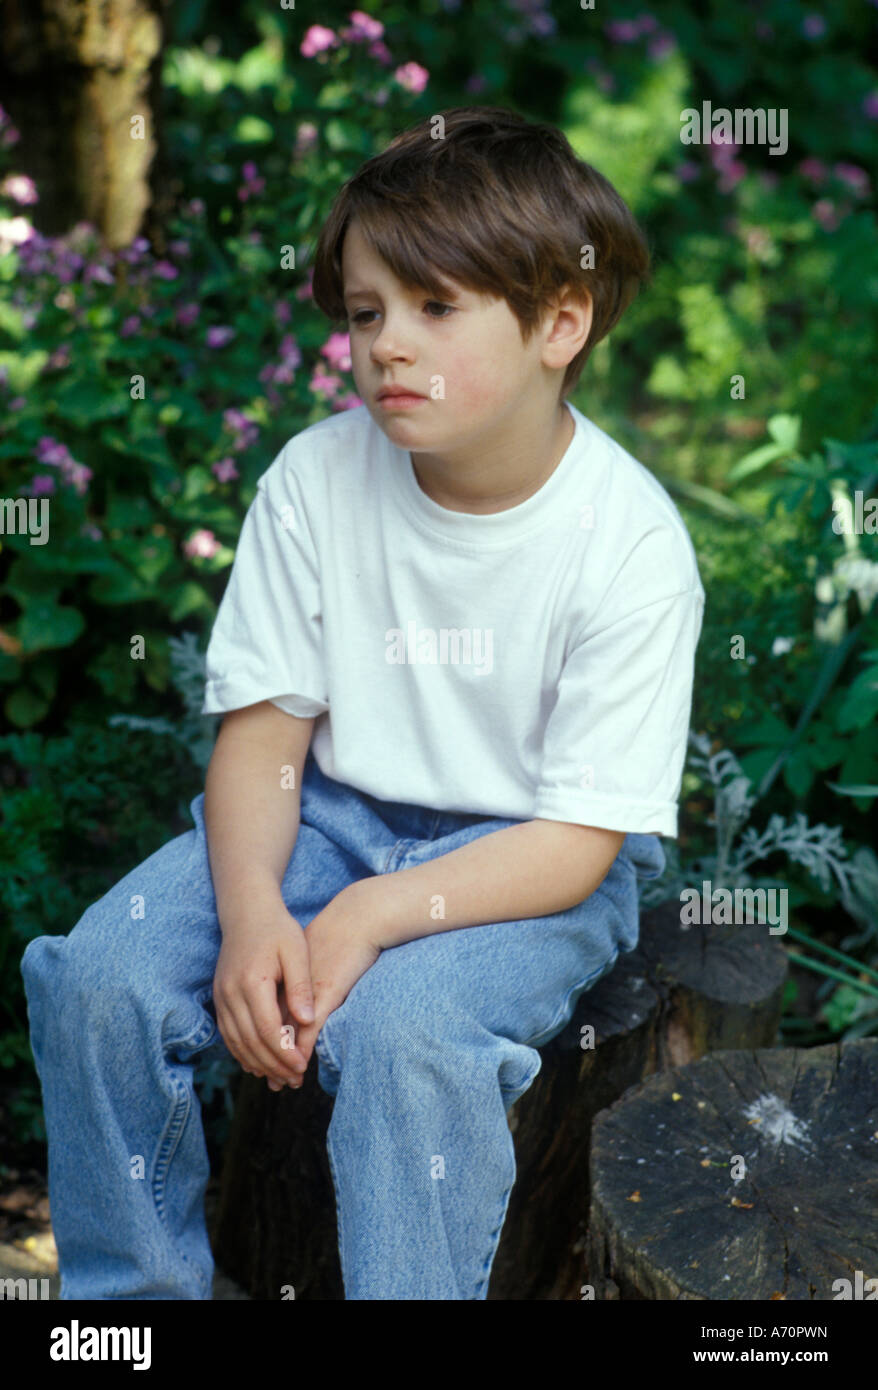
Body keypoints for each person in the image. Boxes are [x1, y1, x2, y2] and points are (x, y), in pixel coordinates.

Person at [21, 105, 705, 1300]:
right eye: (364, 310)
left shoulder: (628, 544)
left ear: (560, 322)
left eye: (436, 308)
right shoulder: (315, 481)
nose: (388, 344)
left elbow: (577, 840)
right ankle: (129, 1304)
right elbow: (264, 740)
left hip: (529, 860)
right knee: (98, 977)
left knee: (402, 1035)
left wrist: (375, 915)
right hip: (324, 813)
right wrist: (250, 916)